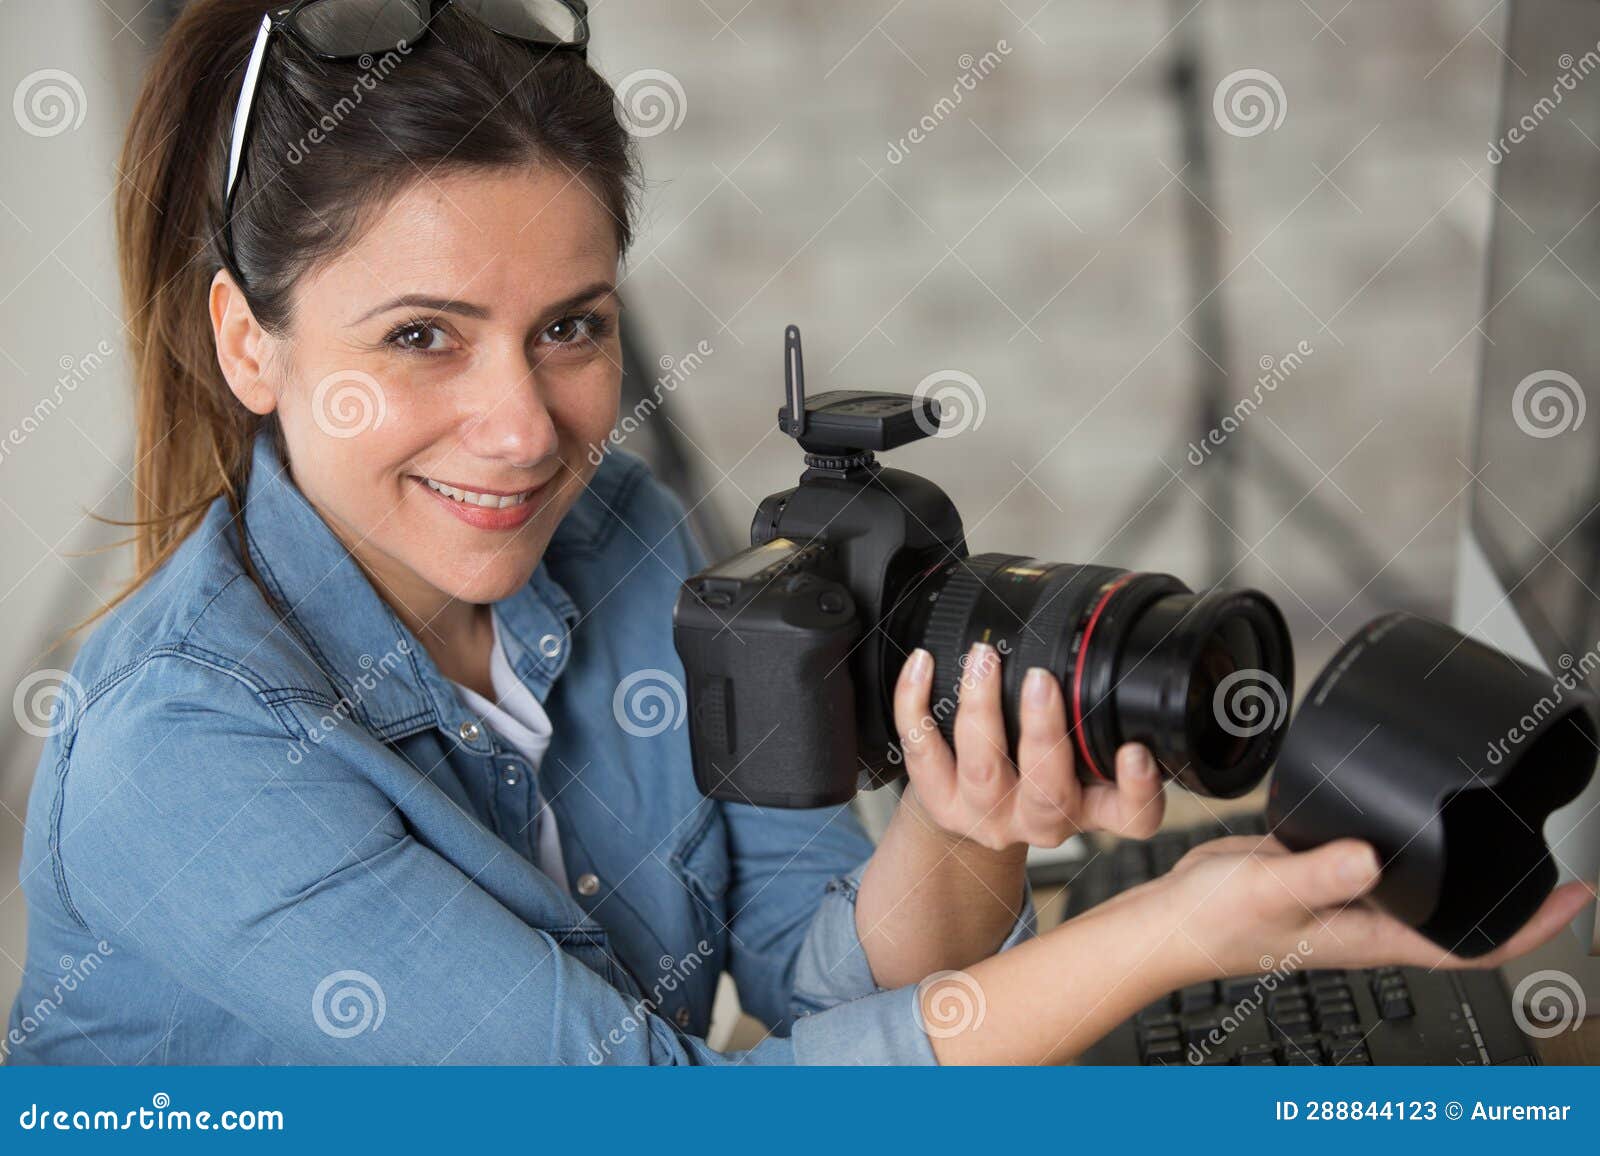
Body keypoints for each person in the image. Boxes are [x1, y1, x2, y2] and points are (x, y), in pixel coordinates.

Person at [6, 0, 1590, 1066]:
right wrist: (1172, 930)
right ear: (247, 342)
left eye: (569, 326)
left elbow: (817, 975)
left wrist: (964, 829)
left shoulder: (616, 526)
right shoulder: (187, 757)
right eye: (422, 336)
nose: (523, 428)